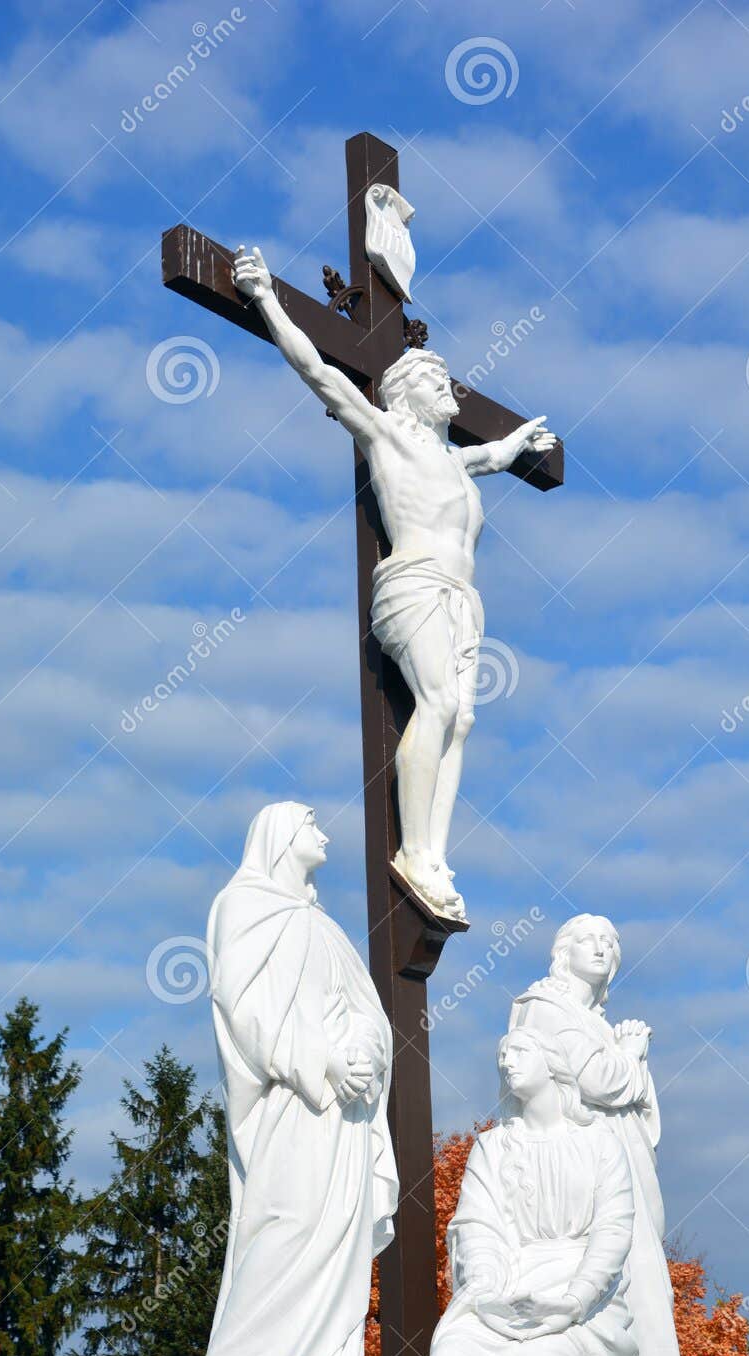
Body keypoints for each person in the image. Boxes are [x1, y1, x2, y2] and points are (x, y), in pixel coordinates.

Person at [231, 244, 557, 920]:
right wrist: (265, 297)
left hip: (461, 597)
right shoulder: (387, 436)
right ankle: (410, 853)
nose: (451, 393)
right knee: (437, 706)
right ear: (407, 393)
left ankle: (432, 854)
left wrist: (520, 444)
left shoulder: (454, 460)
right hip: (411, 584)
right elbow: (318, 372)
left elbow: (493, 454)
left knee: (459, 720)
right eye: (438, 384)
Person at [185, 801, 399, 1356]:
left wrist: (362, 1050)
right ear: (279, 836)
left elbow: (369, 1012)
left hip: (347, 1117)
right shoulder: (244, 907)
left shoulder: (325, 927)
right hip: (295, 1107)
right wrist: (323, 1059)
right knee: (286, 1226)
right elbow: (244, 1007)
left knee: (340, 1244)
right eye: (312, 823)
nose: (324, 832)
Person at [509, 913, 691, 1356]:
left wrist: (621, 1056)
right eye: (588, 940)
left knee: (643, 1289)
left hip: (620, 1163)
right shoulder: (545, 1006)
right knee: (628, 1286)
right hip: (584, 1176)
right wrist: (630, 1055)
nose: (602, 949)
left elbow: (623, 1095)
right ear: (562, 952)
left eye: (611, 943)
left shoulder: (592, 1022)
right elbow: (599, 1081)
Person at [429, 1028, 644, 1356]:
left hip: (582, 1305)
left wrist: (573, 1301)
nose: (507, 1061)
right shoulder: (493, 1147)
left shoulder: (599, 1143)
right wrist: (486, 1290)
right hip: (508, 1292)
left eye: (519, 1051)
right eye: (502, 1054)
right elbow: (478, 1225)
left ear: (552, 1063)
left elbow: (613, 1230)